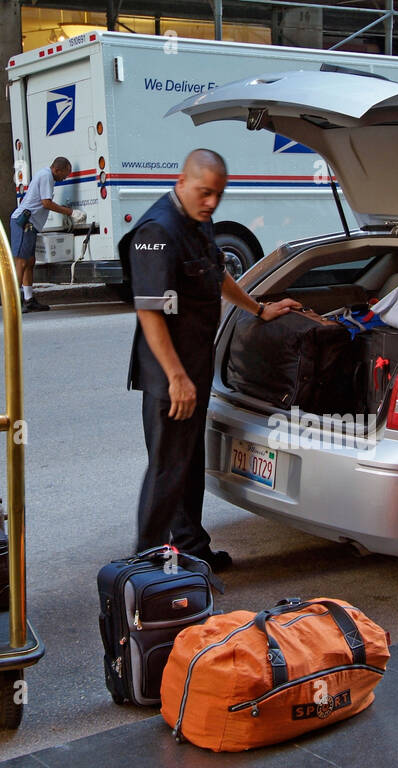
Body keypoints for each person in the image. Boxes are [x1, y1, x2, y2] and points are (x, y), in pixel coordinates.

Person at [127, 148, 301, 572]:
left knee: (188, 463)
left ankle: (191, 550)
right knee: (168, 468)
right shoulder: (157, 231)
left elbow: (217, 273)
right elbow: (149, 314)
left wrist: (258, 308)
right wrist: (176, 377)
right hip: (170, 373)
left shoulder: (198, 222)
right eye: (204, 193)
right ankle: (145, 567)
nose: (211, 203)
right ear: (182, 182)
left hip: (195, 366)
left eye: (218, 195)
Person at [10, 156, 82, 312]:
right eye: (65, 174)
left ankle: (29, 300)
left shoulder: (46, 175)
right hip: (24, 223)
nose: (65, 177)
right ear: (57, 169)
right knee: (21, 262)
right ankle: (13, 302)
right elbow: (46, 203)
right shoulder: (46, 176)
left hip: (30, 225)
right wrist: (70, 212)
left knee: (30, 261)